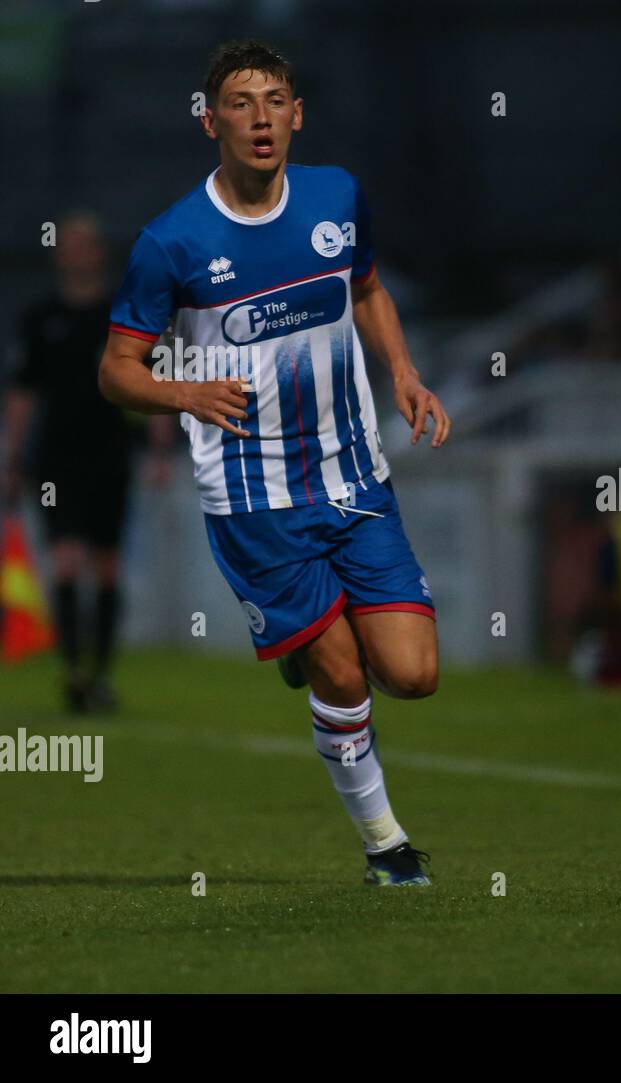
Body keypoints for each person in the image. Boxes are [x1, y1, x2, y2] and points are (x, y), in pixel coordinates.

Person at [97, 40, 451, 886]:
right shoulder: (171, 242)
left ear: (298, 114)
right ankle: (387, 847)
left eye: (277, 100)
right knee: (340, 669)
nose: (262, 118)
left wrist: (401, 368)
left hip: (355, 475)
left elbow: (365, 289)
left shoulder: (336, 197)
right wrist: (184, 396)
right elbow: (115, 370)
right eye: (243, 102)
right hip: (255, 497)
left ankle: (303, 647)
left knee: (413, 673)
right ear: (210, 118)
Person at [3, 213, 171, 712]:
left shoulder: (123, 314)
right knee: (66, 560)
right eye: (69, 243)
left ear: (99, 252)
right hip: (56, 460)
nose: (78, 252)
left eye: (87, 243)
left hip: (111, 456)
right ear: (59, 253)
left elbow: (152, 380)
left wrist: (160, 449)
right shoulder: (40, 318)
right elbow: (23, 394)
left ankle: (99, 674)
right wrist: (12, 459)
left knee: (107, 566)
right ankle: (74, 671)